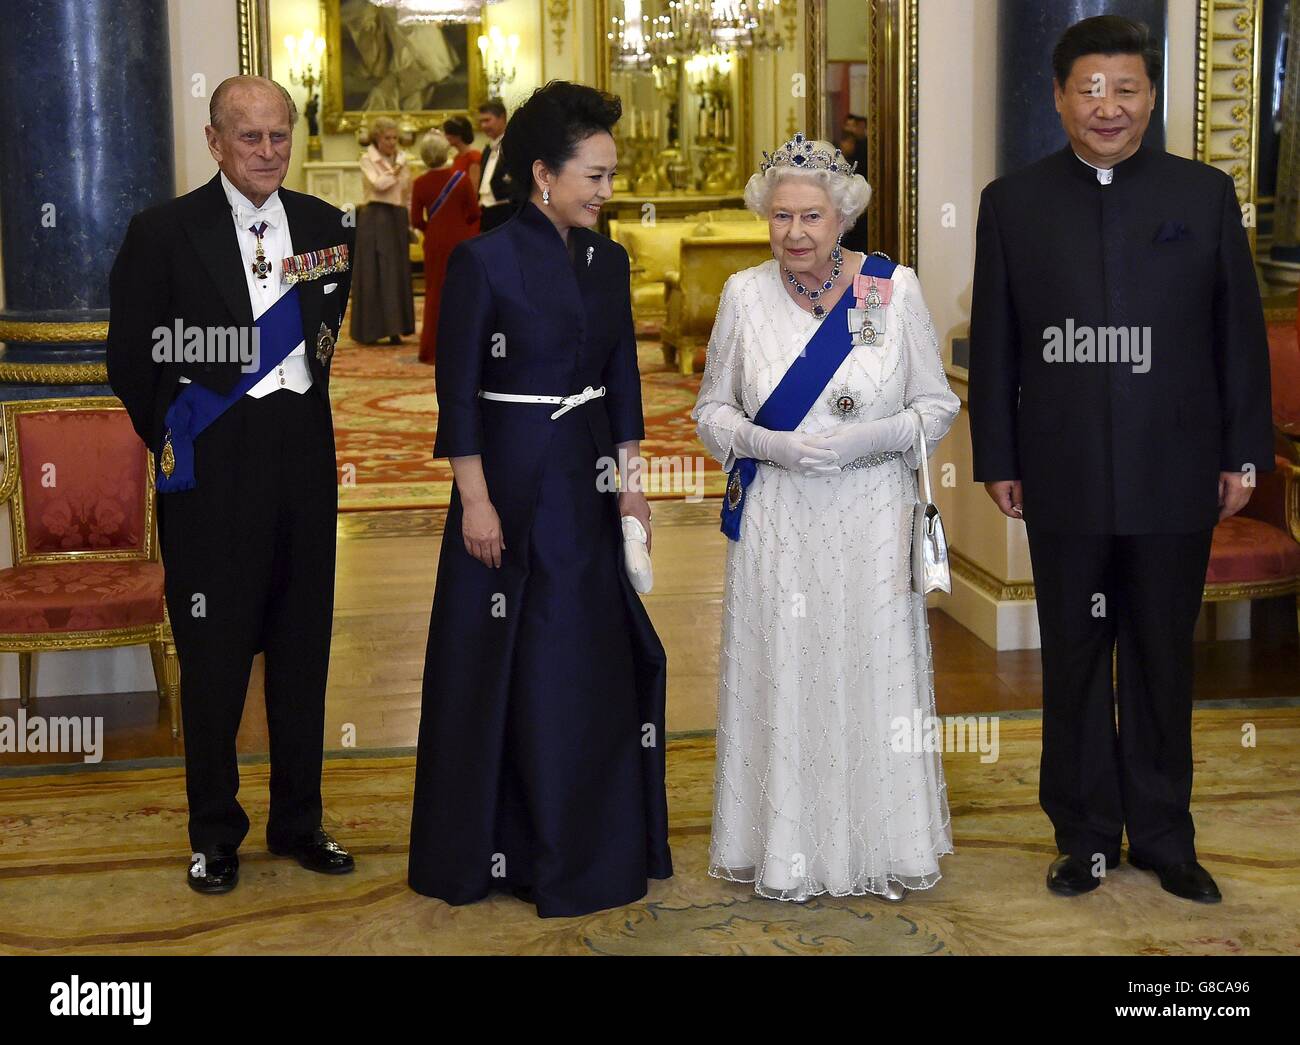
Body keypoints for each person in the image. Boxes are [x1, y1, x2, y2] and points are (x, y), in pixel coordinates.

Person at [968, 16, 1274, 904]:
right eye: (1089, 90)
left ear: (1151, 96)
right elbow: (997, 345)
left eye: (1126, 89)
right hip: (1060, 474)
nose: (1108, 107)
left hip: (1176, 472)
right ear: (1059, 97)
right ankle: (1083, 834)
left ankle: (1167, 836)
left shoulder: (1205, 194)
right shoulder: (1012, 202)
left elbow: (1238, 342)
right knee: (1070, 657)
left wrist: (1241, 454)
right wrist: (998, 453)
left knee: (1160, 658)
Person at [408, 80, 672, 918]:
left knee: (584, 662)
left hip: (587, 477)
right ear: (542, 175)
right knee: (511, 661)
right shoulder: (481, 260)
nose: (606, 190)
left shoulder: (610, 259)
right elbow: (459, 397)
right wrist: (475, 502)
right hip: (510, 484)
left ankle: (592, 839)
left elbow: (623, 380)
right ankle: (506, 844)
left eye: (609, 174)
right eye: (593, 175)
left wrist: (632, 488)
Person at [692, 133, 960, 902]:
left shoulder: (889, 289)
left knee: (868, 666)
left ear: (842, 217)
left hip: (871, 514)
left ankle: (880, 839)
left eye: (811, 216)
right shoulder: (744, 295)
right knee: (787, 662)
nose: (796, 233)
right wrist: (763, 440)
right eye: (781, 217)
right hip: (779, 514)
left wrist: (873, 436)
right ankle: (785, 846)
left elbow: (936, 404)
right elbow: (711, 411)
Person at [106, 75, 356, 893]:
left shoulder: (326, 227)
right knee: (213, 661)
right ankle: (214, 831)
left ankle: (299, 819)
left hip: (303, 465)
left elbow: (319, 339)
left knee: (300, 648)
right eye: (249, 137)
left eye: (280, 135)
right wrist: (175, 438)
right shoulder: (164, 231)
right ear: (214, 141)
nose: (267, 152)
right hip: (211, 469)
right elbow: (131, 357)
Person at [410, 131, 480, 367]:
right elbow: (474, 213)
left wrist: (433, 228)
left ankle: (430, 350)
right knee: (463, 293)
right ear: (445, 152)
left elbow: (416, 220)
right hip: (461, 242)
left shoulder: (419, 183)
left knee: (434, 294)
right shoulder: (461, 179)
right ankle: (463, 349)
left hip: (434, 242)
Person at [351, 116, 415, 345]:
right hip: (375, 216)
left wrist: (409, 222)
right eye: (388, 138)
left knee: (396, 272)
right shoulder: (367, 158)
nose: (392, 142)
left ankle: (396, 328)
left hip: (397, 217)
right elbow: (379, 185)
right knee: (375, 270)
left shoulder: (401, 159)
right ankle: (371, 330)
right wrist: (396, 170)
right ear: (378, 138)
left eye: (395, 138)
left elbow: (407, 191)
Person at [476, 98, 517, 231]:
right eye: (481, 121)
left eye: (487, 120)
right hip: (486, 212)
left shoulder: (513, 145)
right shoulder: (487, 149)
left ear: (502, 117)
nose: (483, 126)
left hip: (506, 211)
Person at [442, 114, 483, 197]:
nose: (445, 136)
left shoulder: (474, 156)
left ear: (458, 135)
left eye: (448, 133)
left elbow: (474, 190)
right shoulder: (457, 157)